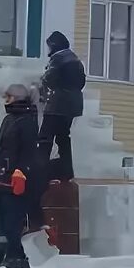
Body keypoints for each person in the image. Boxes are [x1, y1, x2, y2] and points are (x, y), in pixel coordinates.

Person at [0, 84, 39, 268]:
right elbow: (2, 149)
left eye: (9, 97)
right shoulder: (10, 119)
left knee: (12, 221)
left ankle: (16, 258)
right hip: (0, 178)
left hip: (14, 178)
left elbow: (28, 150)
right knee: (5, 221)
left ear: (17, 98)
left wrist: (21, 171)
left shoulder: (27, 121)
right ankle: (15, 256)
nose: (6, 101)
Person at [38, 30, 86, 180]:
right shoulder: (75, 60)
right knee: (63, 137)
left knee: (45, 137)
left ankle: (40, 170)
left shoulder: (58, 59)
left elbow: (48, 79)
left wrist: (42, 83)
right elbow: (81, 82)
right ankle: (67, 171)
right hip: (74, 105)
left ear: (54, 45)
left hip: (57, 105)